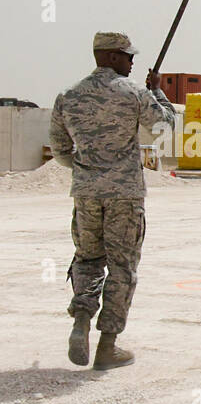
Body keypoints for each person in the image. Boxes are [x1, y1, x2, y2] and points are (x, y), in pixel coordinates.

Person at [50, 32, 176, 370]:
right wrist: (157, 91)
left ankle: (80, 320)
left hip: (86, 194)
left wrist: (88, 170)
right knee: (122, 267)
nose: (132, 62)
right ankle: (108, 346)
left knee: (88, 258)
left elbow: (61, 150)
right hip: (124, 195)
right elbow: (165, 126)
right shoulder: (134, 92)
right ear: (110, 57)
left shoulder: (68, 95)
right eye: (127, 56)